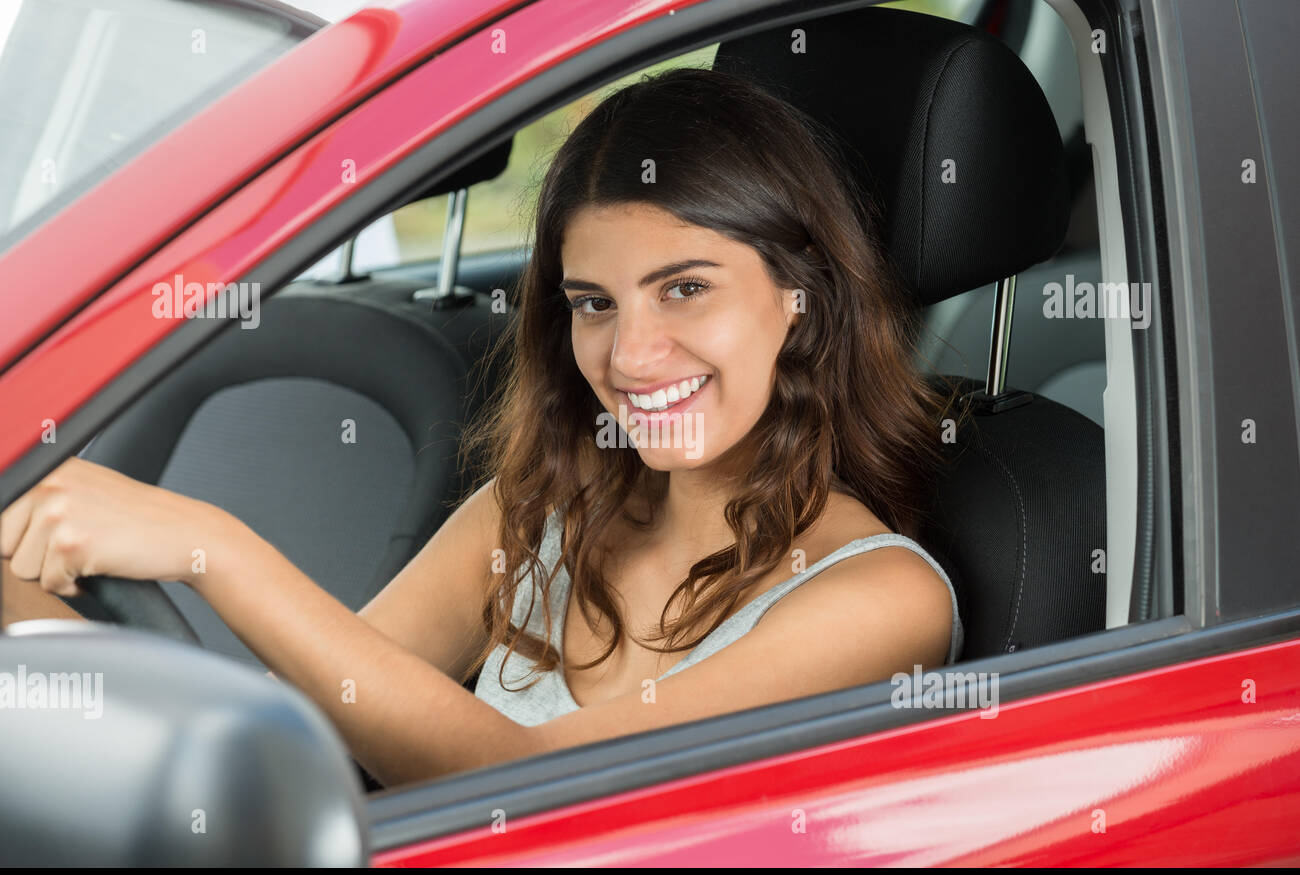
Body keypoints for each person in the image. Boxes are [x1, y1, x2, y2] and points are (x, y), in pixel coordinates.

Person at [0, 67, 963, 787]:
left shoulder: (883, 599)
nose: (630, 355)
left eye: (684, 289)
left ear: (801, 298)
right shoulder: (542, 511)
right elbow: (296, 726)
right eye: (594, 303)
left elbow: (525, 784)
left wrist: (210, 544)